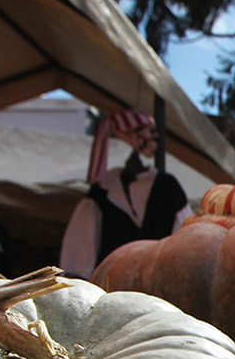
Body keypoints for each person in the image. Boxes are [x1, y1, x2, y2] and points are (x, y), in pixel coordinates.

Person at [58, 108, 189, 278]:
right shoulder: (102, 190)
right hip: (110, 286)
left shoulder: (168, 187)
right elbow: (79, 254)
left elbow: (186, 243)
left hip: (157, 285)